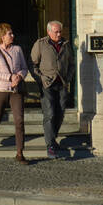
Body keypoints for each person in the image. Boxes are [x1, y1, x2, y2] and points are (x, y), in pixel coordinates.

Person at [0, 23, 29, 164]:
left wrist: (19, 76)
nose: (12, 35)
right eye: (10, 33)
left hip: (16, 90)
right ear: (2, 36)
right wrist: (10, 77)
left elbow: (24, 68)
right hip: (0, 90)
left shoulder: (18, 50)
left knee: (19, 121)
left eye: (12, 33)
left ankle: (20, 153)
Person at [30, 20, 73, 158]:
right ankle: (50, 146)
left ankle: (52, 139)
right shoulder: (41, 44)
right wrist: (41, 79)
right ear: (49, 32)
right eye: (56, 32)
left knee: (60, 113)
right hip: (47, 84)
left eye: (60, 31)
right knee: (50, 114)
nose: (59, 34)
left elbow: (71, 64)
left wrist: (68, 78)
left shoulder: (66, 45)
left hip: (62, 84)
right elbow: (33, 64)